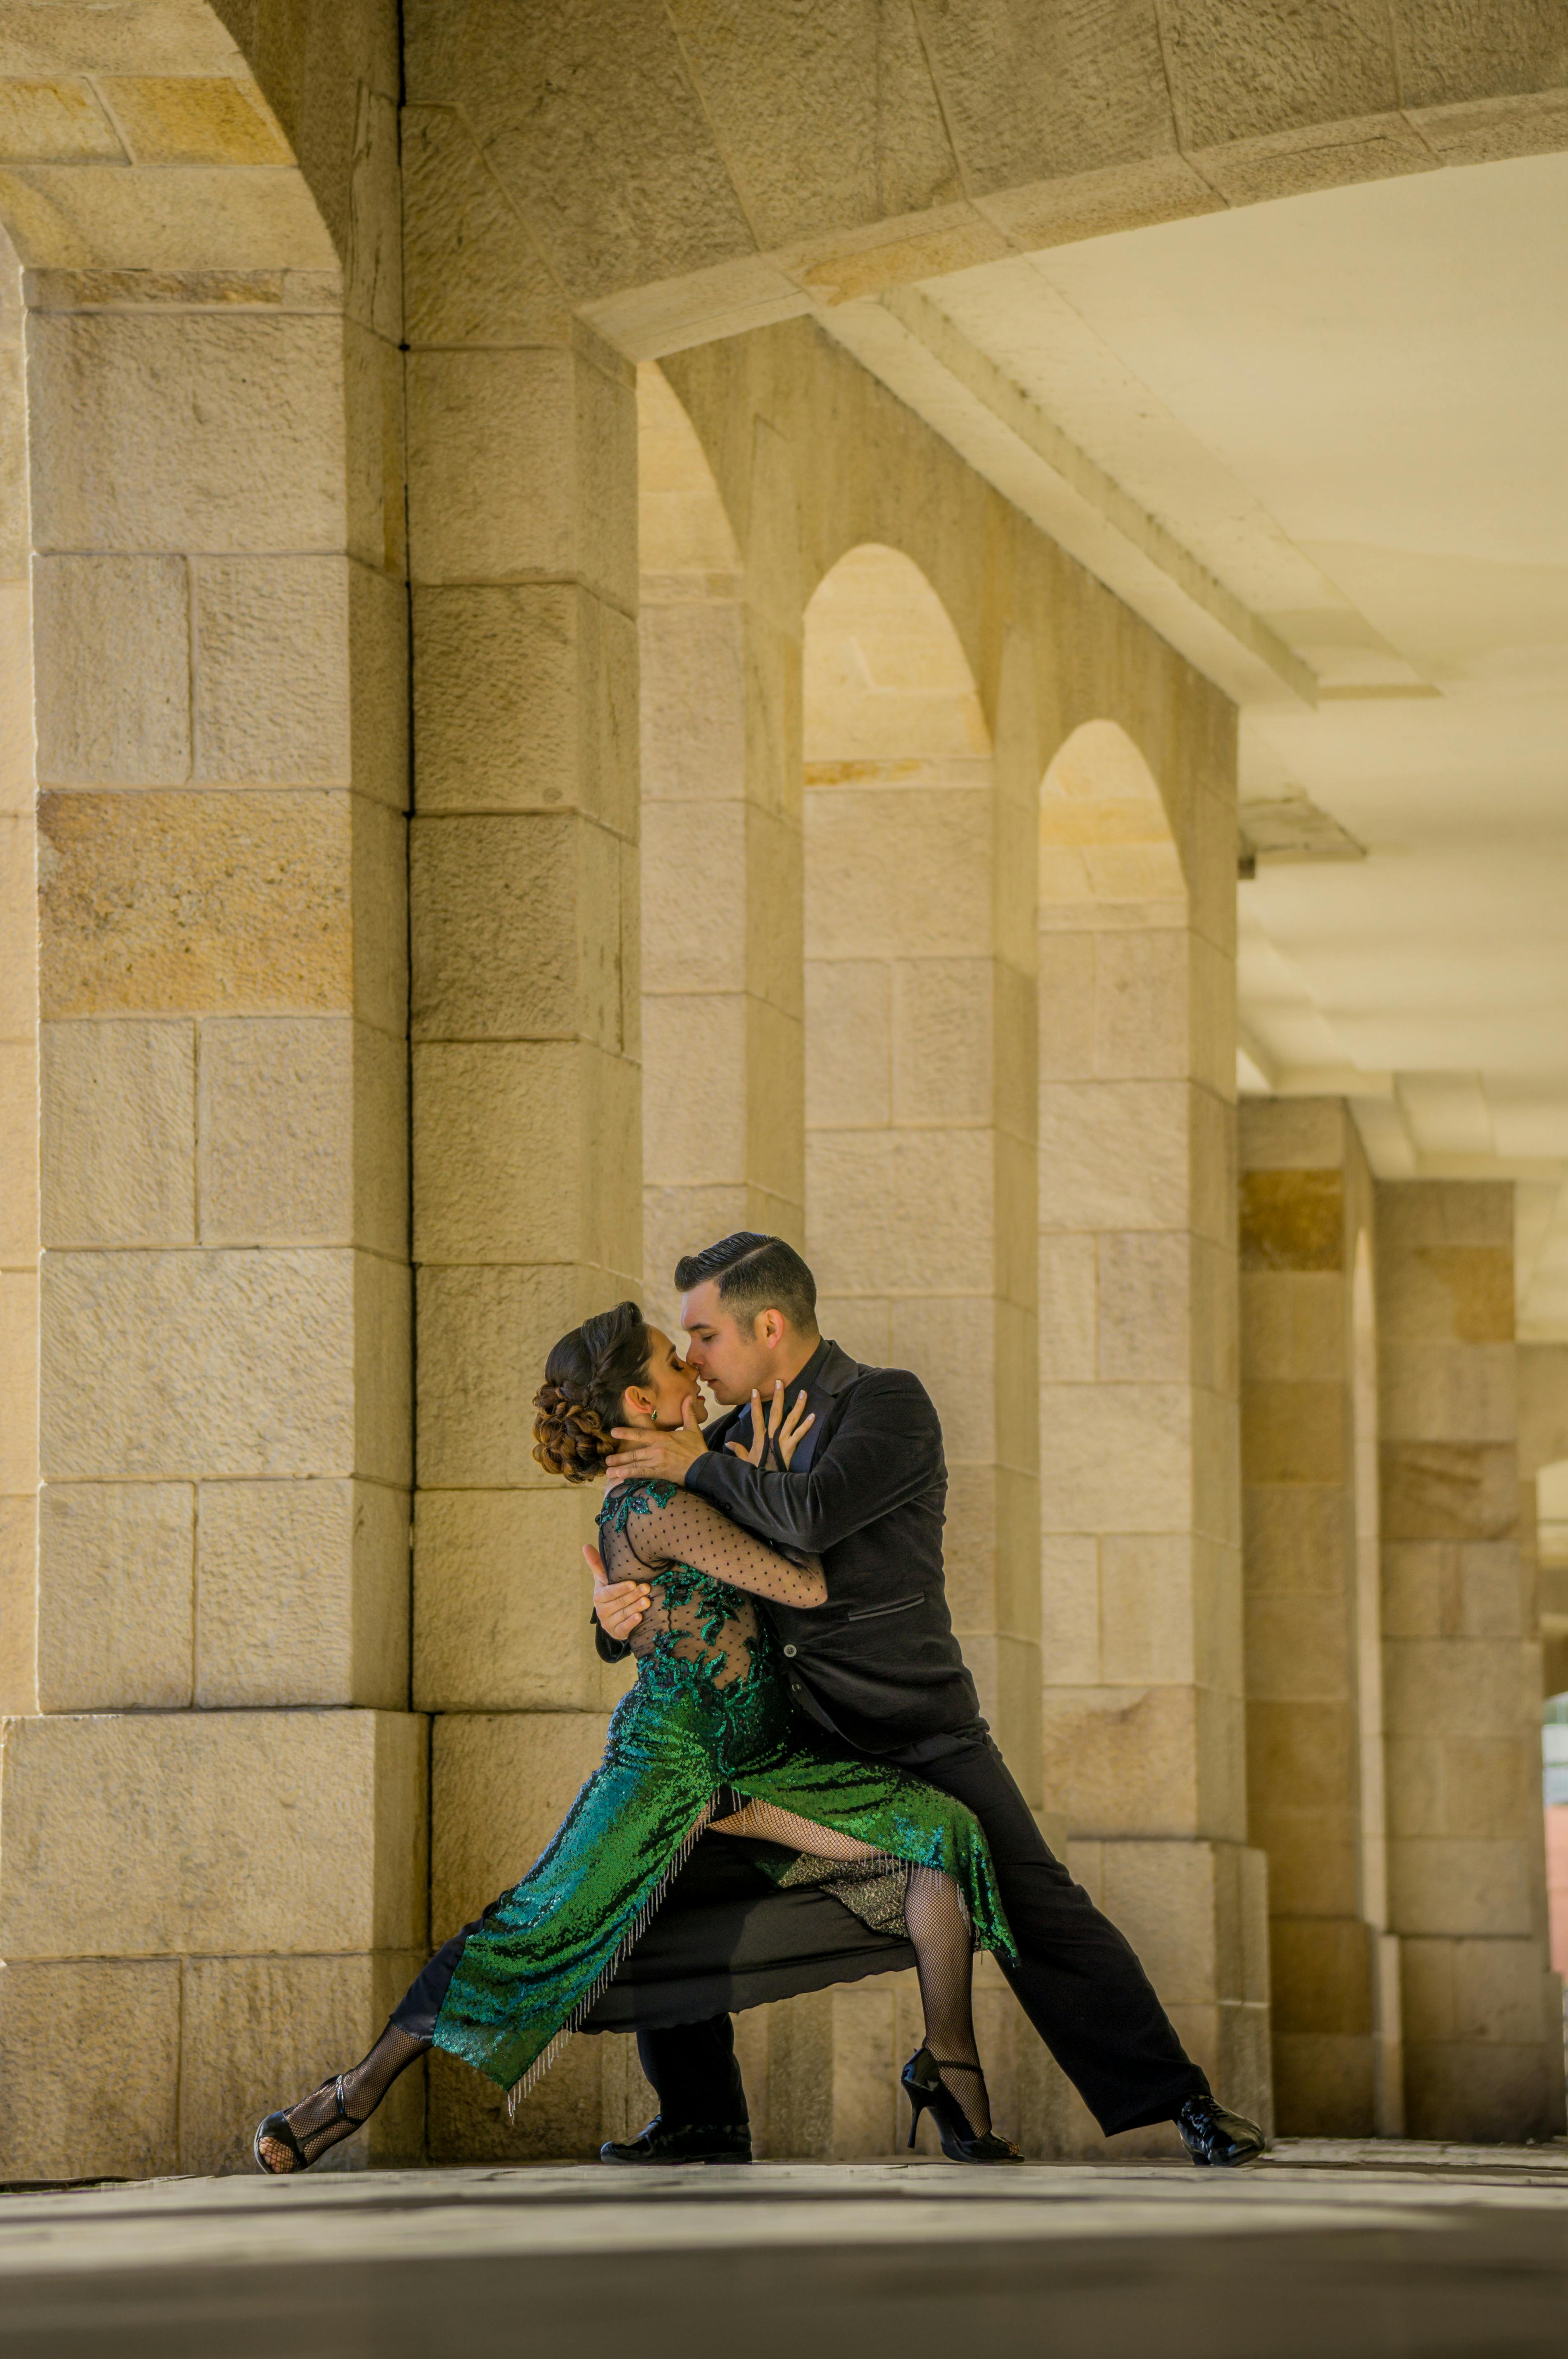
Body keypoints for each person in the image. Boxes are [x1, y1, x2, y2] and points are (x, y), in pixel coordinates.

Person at [253, 1301, 1021, 2174]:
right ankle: (349, 2095)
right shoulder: (655, 1503)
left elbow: (696, 1597)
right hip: (671, 1764)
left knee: (940, 1836)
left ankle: (946, 2062)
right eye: (672, 1359)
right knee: (537, 1925)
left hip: (760, 1766)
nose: (692, 1366)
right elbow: (803, 1586)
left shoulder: (693, 1477)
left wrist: (740, 1491)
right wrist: (769, 1481)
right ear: (640, 1401)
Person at [595, 1232, 1267, 2169]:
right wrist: (610, 1613)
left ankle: (1181, 2103)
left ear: (769, 1326)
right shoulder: (718, 1444)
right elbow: (675, 1580)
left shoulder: (886, 1405)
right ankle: (701, 2116)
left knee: (1036, 1905)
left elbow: (816, 1519)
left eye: (704, 1336)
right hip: (787, 1742)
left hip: (912, 1723)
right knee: (659, 1878)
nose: (695, 1361)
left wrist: (699, 1468)